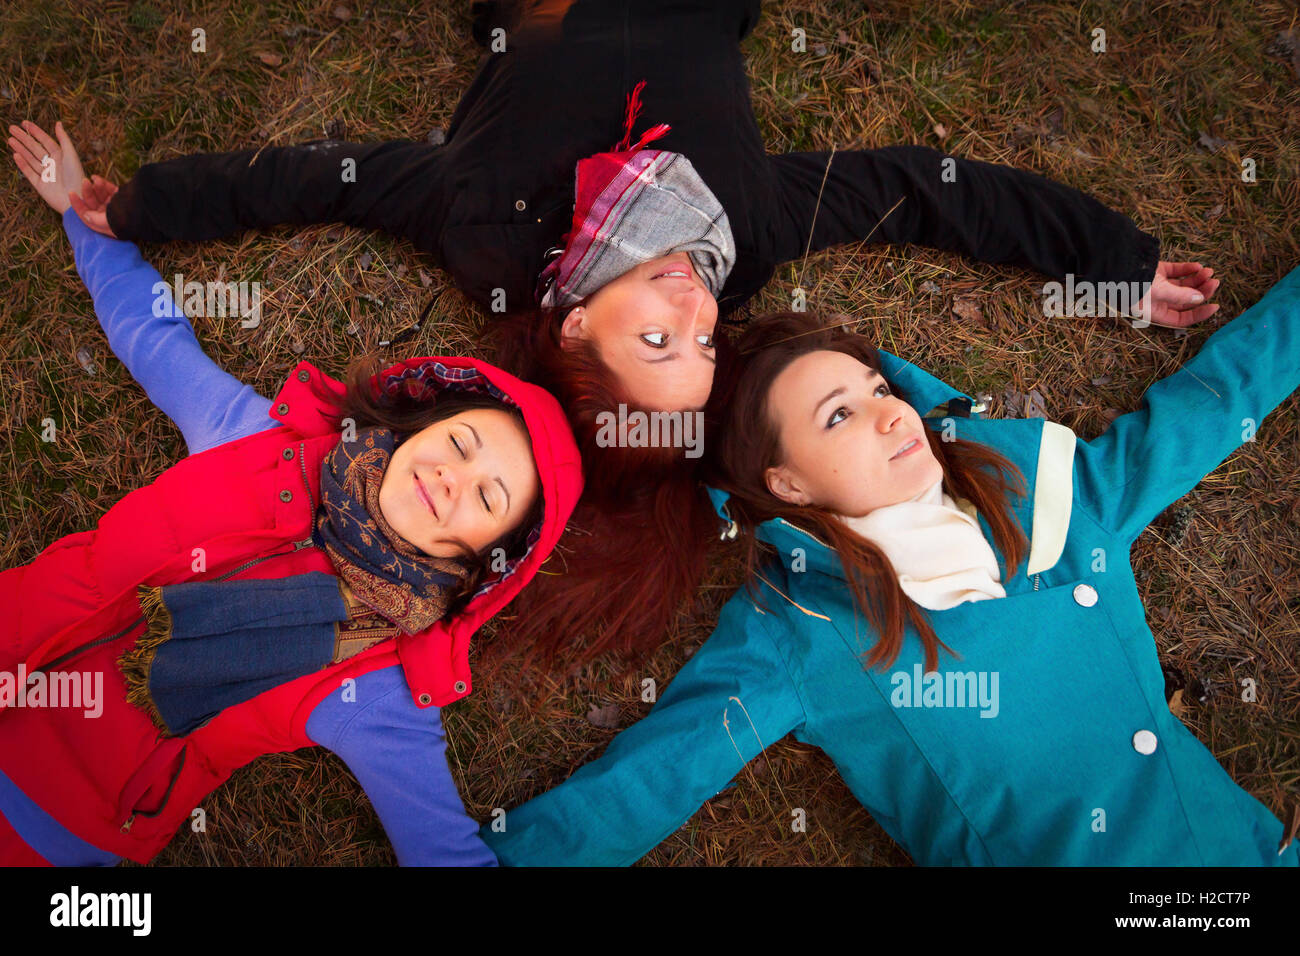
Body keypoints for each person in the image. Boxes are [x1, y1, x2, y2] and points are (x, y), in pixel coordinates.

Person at [52, 0, 1220, 663]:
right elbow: (929, 189)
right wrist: (1110, 265)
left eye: (658, 342)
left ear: (571, 335)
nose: (696, 314)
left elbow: (318, 179)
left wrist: (145, 206)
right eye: (703, 348)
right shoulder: (748, 225)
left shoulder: (483, 220)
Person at [477, 285, 1300, 865]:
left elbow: (1218, 396)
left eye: (876, 388)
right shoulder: (802, 632)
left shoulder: (1060, 494)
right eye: (840, 415)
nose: (890, 411)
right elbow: (657, 774)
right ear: (787, 485)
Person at [0, 121, 582, 866]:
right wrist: (84, 223)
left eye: (488, 498)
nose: (450, 477)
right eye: (459, 444)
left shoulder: (379, 682)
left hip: (51, 832)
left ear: (485, 559)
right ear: (416, 424)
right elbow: (155, 341)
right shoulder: (252, 436)